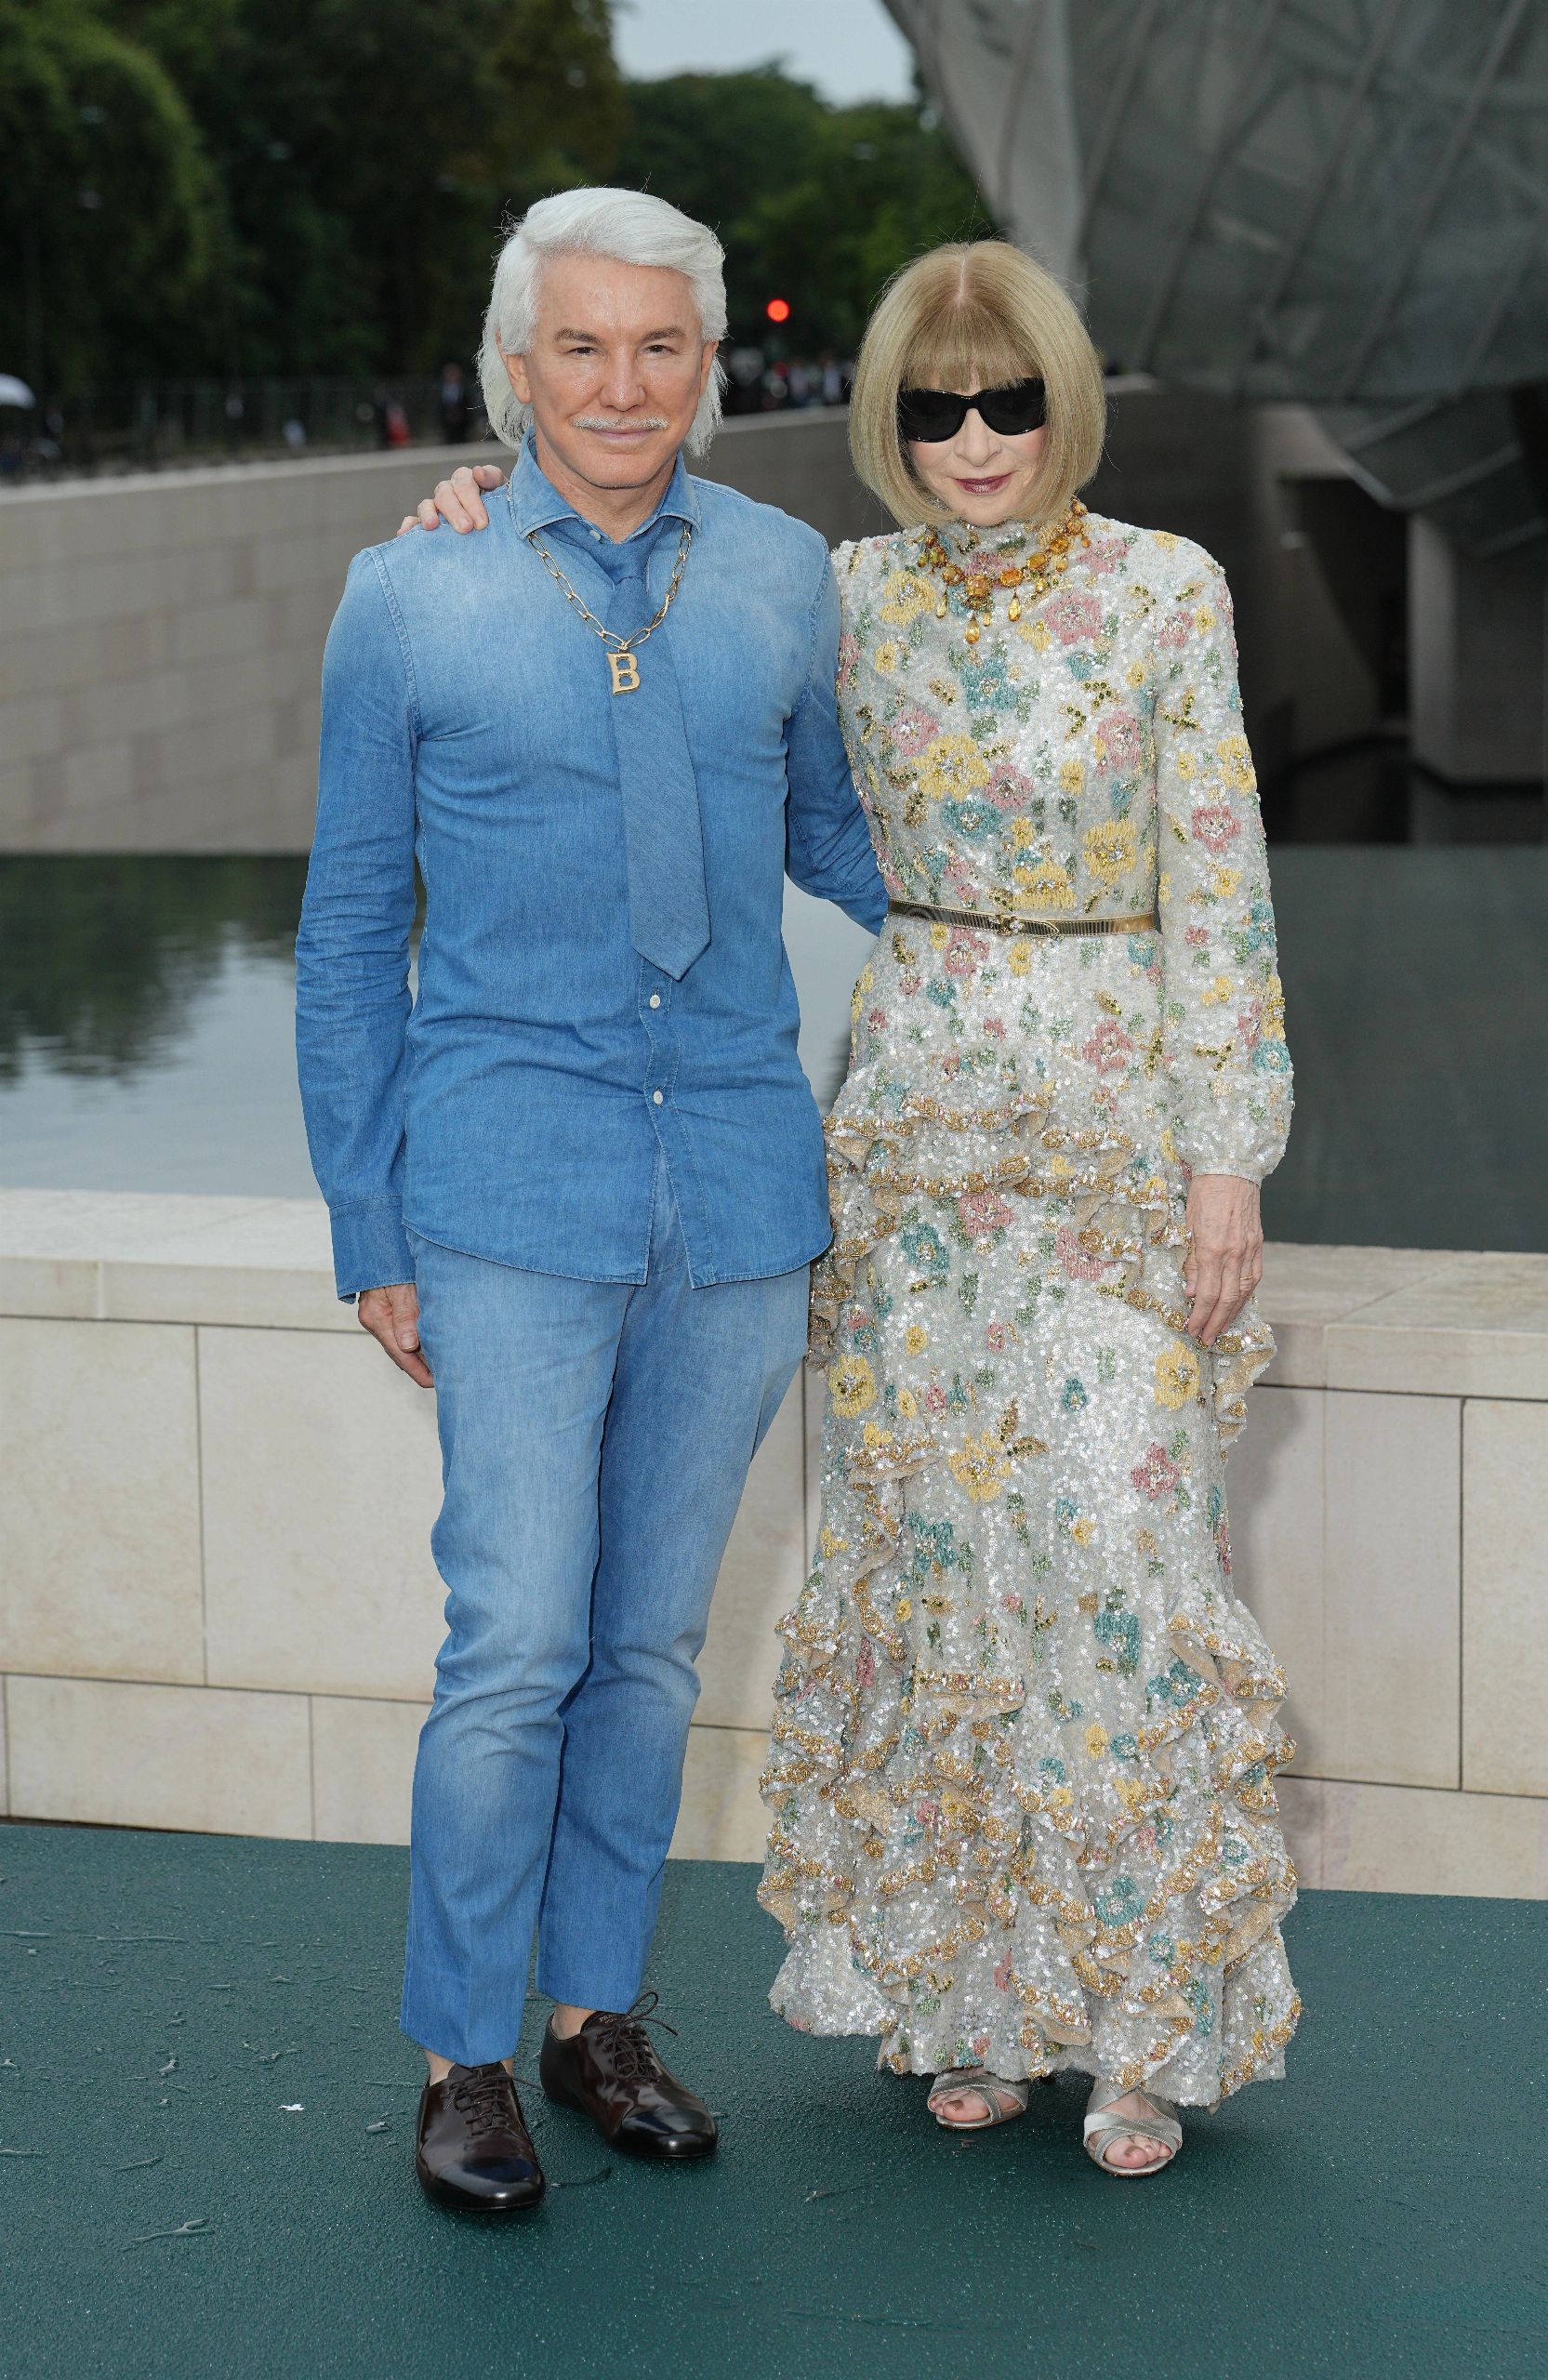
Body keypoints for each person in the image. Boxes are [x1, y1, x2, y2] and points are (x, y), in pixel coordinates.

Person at [407, 238, 1299, 2179]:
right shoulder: (836, 597)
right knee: (937, 1575)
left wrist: (1226, 1151)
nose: (971, 439)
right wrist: (472, 509)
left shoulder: (1165, 588)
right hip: (904, 1145)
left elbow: (1221, 880)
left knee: (1116, 1558)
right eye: (927, 406)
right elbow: (641, 621)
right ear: (884, 425)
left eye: (1006, 401)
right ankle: (970, 2000)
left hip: (1116, 1132)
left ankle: (1143, 2019)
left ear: (1062, 401)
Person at [298, 186, 887, 2216]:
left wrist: (1067, 926)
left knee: (645, 1644)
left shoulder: (790, 578)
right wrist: (366, 1223)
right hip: (506, 1180)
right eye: (581, 346)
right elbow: (350, 922)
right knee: (515, 1636)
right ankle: (463, 2053)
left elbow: (845, 843)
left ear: (707, 364)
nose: (620, 384)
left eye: (658, 346)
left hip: (731, 1185)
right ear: (516, 367)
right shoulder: (410, 595)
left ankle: (598, 2019)